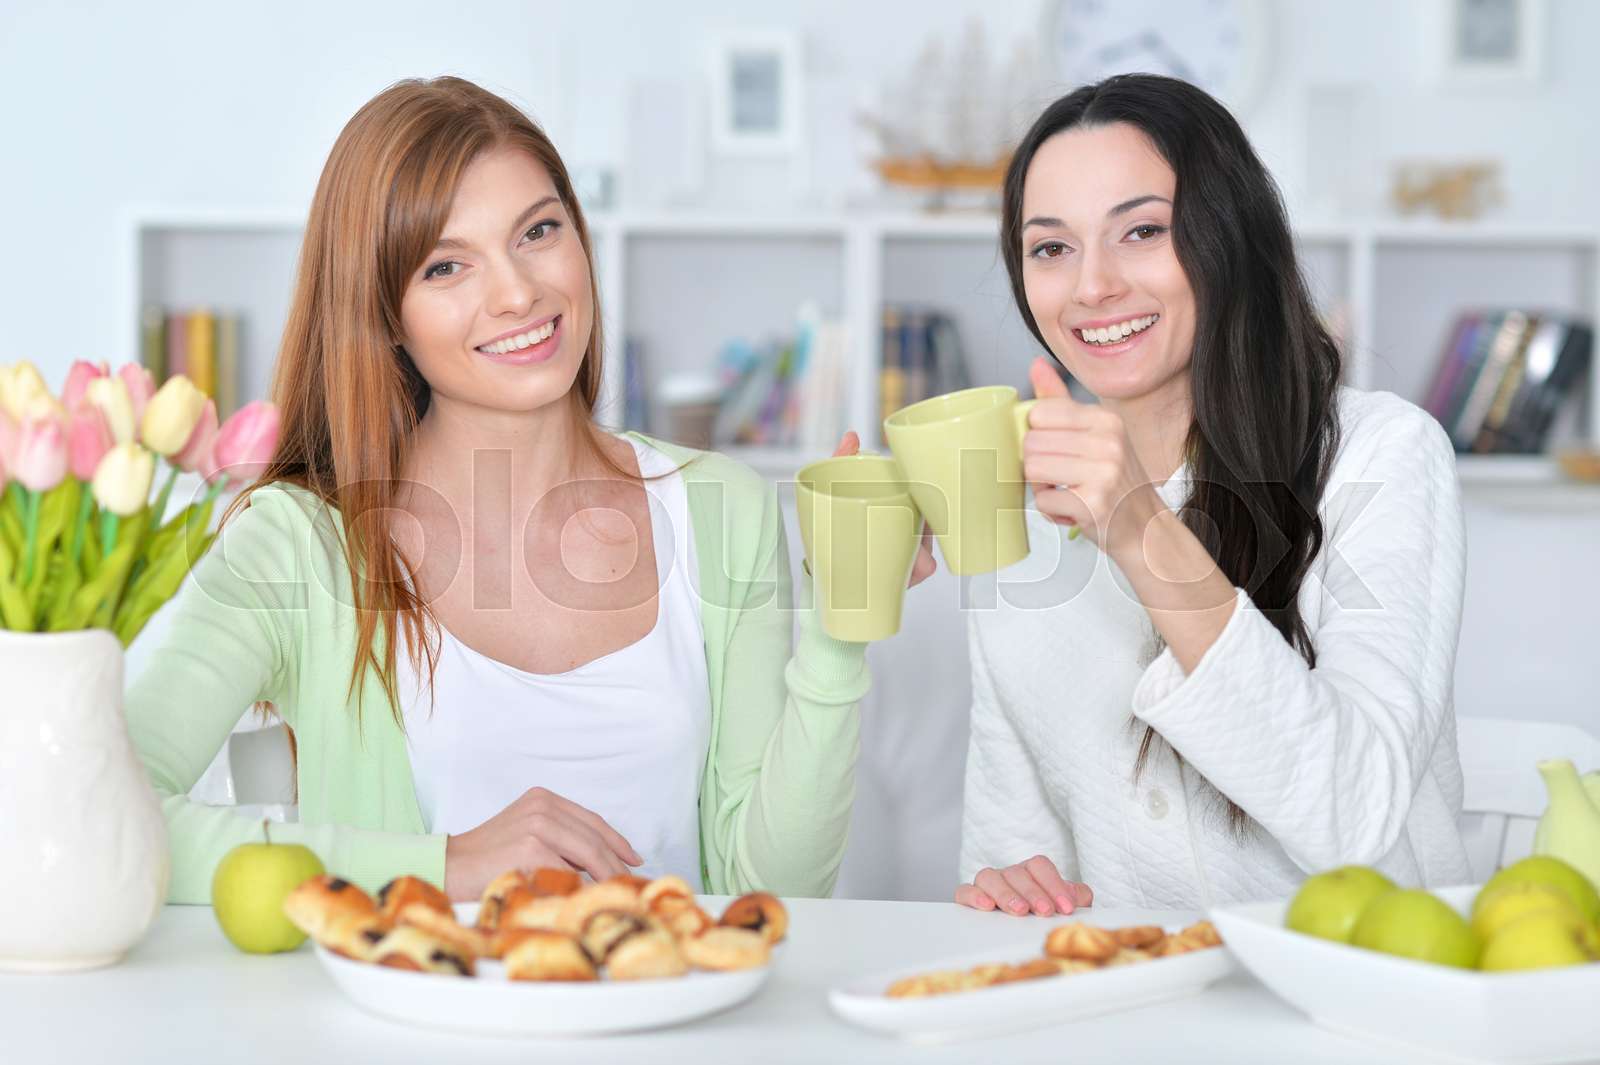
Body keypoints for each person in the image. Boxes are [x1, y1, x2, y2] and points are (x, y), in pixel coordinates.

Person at [127, 76, 930, 904]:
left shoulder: (721, 508)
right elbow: (114, 819)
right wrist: (446, 866)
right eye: (446, 266)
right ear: (384, 314)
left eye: (538, 231)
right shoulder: (299, 541)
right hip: (419, 992)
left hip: (671, 984)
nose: (518, 293)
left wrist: (839, 632)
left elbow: (772, 889)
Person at [955, 74, 1472, 916]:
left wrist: (1140, 530)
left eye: (1143, 231)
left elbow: (1354, 818)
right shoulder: (1019, 524)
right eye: (1051, 248)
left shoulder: (1381, 453)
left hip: (1365, 980)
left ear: (1227, 236)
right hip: (1139, 993)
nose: (1092, 286)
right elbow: (1011, 861)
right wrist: (1012, 889)